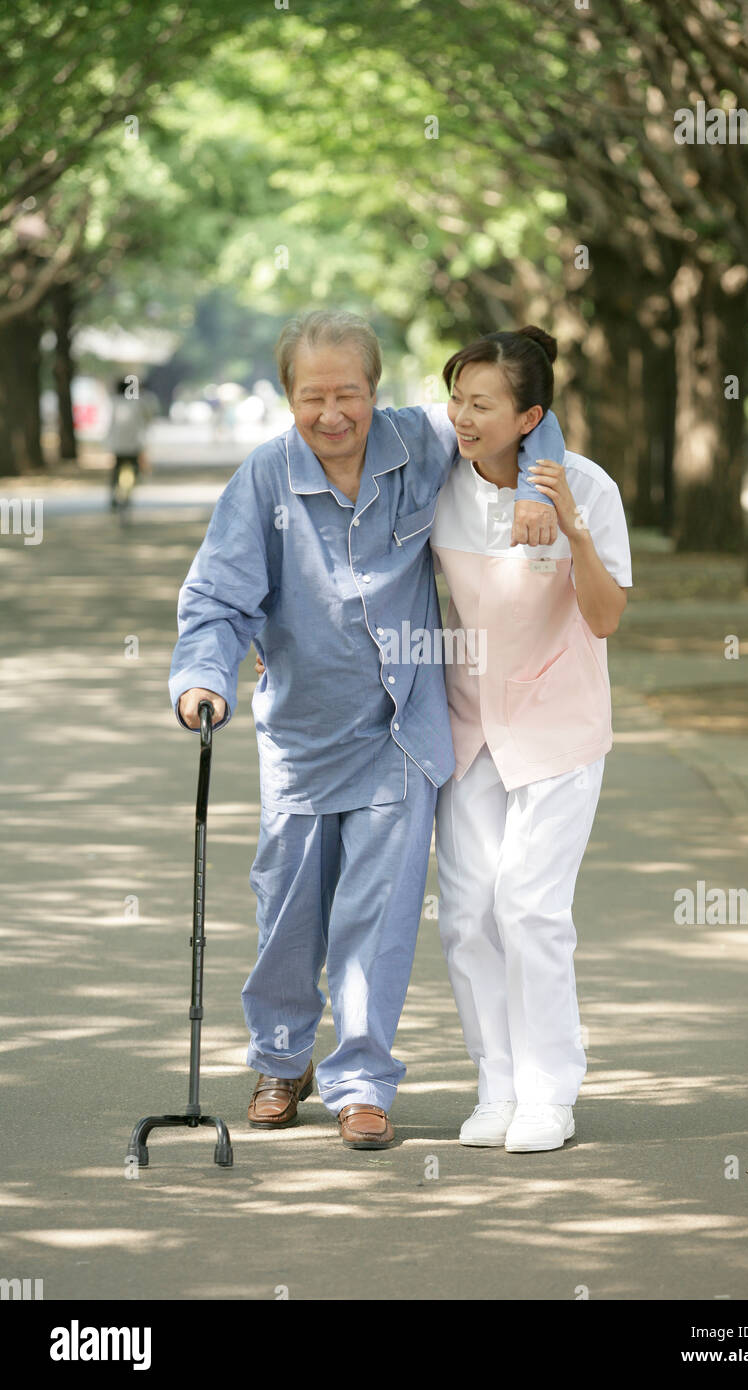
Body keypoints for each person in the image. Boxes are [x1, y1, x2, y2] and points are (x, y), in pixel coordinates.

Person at [168, 309, 564, 1150]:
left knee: (377, 918)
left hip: (399, 734)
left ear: (377, 394)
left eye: (349, 393)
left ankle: (359, 1080)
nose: (332, 414)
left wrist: (538, 485)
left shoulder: (419, 442)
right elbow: (217, 597)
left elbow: (523, 409)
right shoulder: (263, 480)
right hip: (303, 738)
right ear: (288, 398)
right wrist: (203, 675)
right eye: (313, 397)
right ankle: (282, 1058)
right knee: (290, 910)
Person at [430, 326, 632, 1153]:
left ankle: (551, 1093)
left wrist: (571, 526)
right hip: (469, 723)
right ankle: (498, 1082)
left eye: (483, 404)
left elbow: (607, 616)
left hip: (557, 726)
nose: (463, 417)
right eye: (457, 400)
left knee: (529, 906)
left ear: (531, 417)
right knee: (468, 913)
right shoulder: (439, 475)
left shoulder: (586, 485)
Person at [106, 376, 152, 512]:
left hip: (118, 443)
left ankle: (114, 494)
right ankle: (127, 494)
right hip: (134, 443)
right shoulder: (138, 402)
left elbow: (109, 424)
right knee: (132, 469)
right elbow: (148, 418)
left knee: (116, 470)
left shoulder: (114, 402)